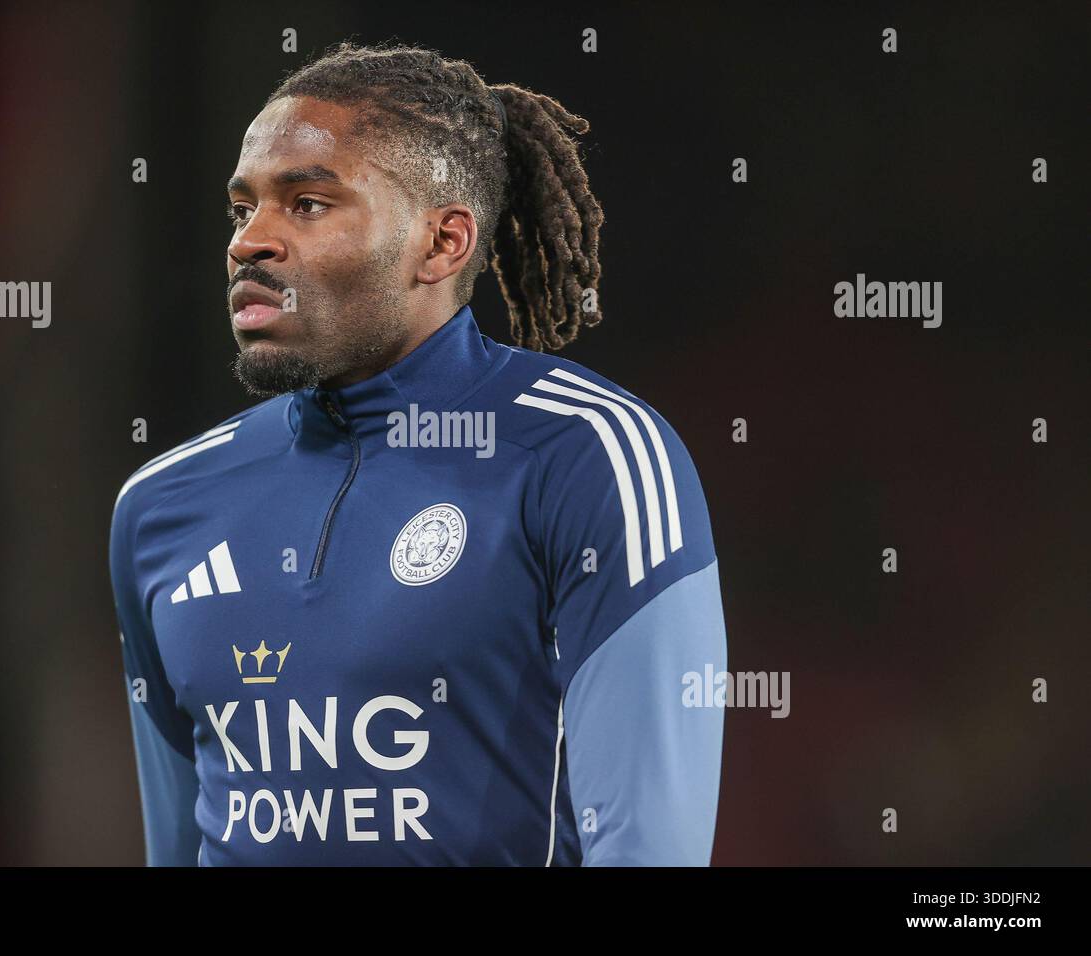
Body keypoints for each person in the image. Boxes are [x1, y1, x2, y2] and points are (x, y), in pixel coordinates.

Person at [109, 41, 727, 865]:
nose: (249, 242)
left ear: (442, 244)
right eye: (242, 208)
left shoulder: (587, 456)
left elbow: (650, 848)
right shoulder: (160, 508)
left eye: (308, 203)